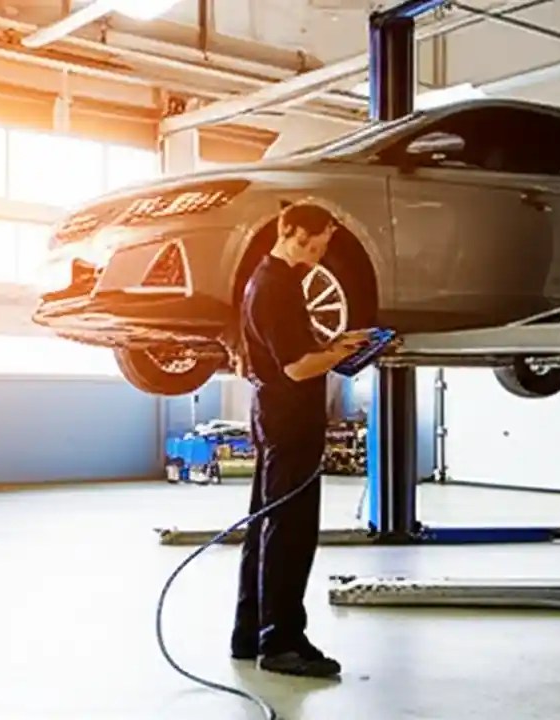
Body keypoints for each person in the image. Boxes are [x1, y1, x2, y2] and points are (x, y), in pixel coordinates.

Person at [230, 202, 372, 678]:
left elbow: (295, 351)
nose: (318, 257)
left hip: (276, 418)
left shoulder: (276, 281)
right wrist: (338, 353)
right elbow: (296, 367)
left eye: (323, 248)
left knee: (266, 526)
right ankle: (282, 642)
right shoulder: (274, 287)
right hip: (289, 424)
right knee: (290, 533)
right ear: (288, 232)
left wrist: (337, 345)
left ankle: (250, 632)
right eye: (312, 247)